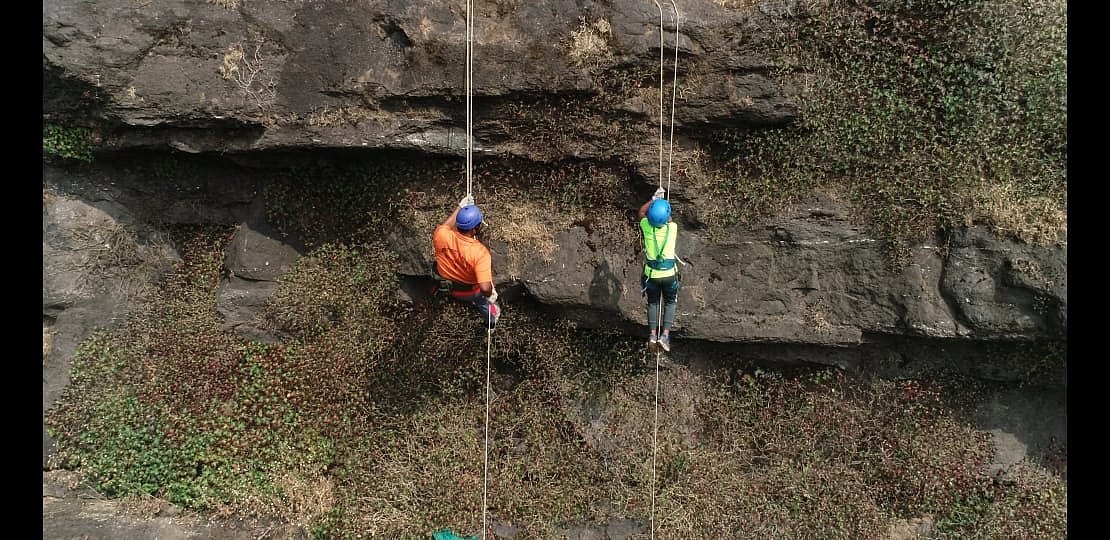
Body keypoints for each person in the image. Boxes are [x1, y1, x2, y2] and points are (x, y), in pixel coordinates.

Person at [433, 194, 500, 328]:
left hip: (448, 287)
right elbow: (485, 287)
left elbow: (446, 225)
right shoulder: (480, 253)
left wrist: (461, 206)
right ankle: (491, 322)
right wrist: (490, 295)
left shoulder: (441, 234)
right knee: (484, 303)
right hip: (470, 292)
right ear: (475, 229)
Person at [638, 187, 679, 352]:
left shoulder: (646, 227)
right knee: (670, 302)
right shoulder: (672, 228)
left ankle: (653, 335)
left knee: (653, 303)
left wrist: (654, 201)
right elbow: (668, 218)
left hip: (652, 276)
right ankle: (665, 336)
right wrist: (662, 204)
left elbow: (641, 212)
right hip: (669, 275)